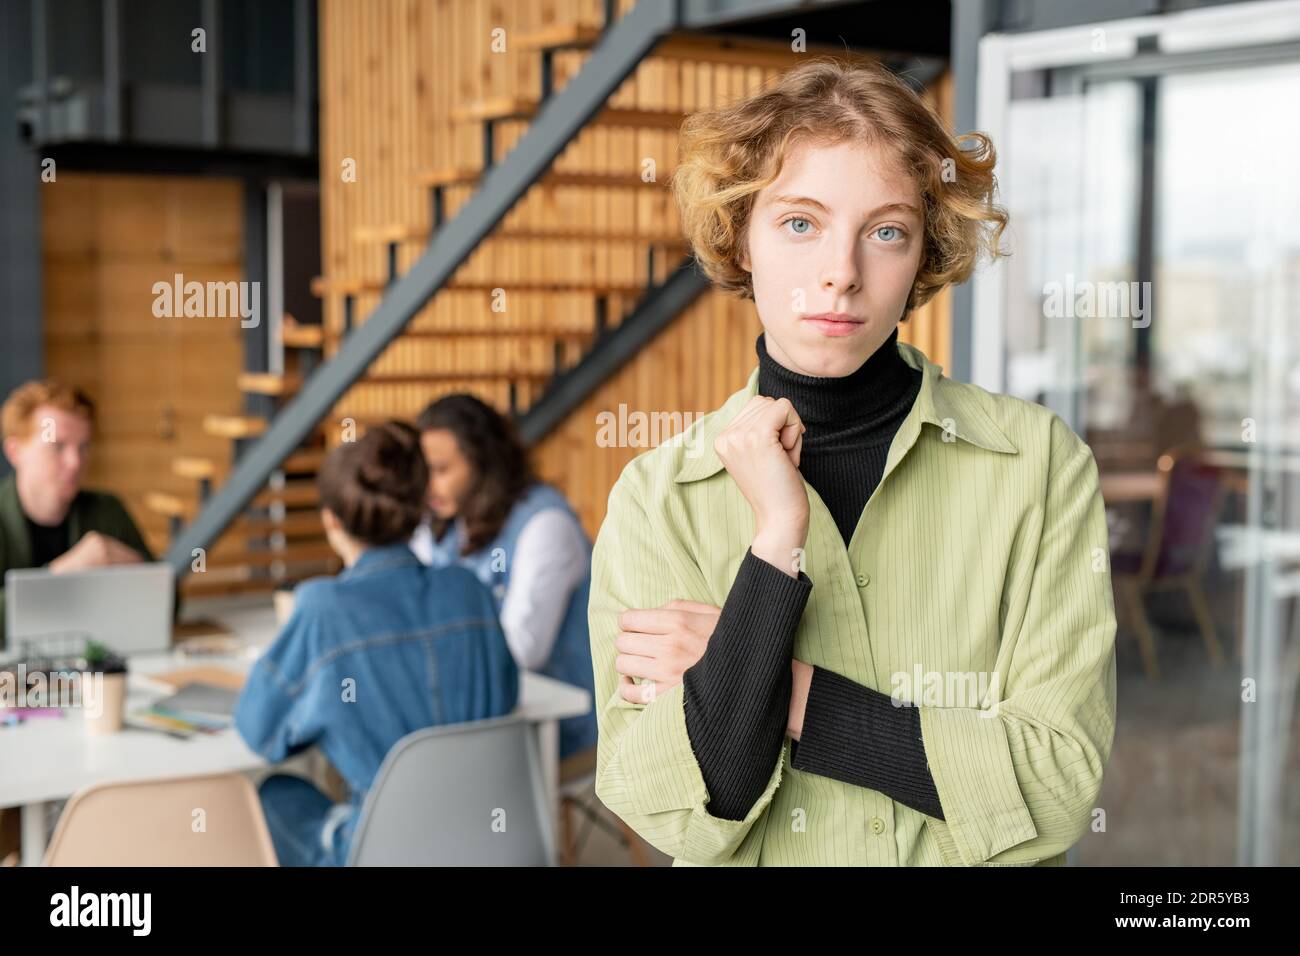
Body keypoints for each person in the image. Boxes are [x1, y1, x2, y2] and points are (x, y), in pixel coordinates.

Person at [589, 58, 1118, 866]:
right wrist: (777, 539)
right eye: (800, 223)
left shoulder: (1040, 467)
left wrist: (766, 673)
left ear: (922, 258)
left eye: (886, 231)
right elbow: (686, 814)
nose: (841, 272)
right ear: (741, 239)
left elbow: (1055, 788)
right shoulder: (656, 498)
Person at [234, 421, 519, 866]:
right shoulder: (469, 591)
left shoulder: (322, 607)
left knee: (273, 794)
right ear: (420, 508)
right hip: (487, 839)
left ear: (331, 519)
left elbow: (259, 730)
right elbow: (505, 699)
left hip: (382, 853)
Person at [410, 395, 597, 768]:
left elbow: (522, 650)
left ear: (484, 463)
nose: (428, 485)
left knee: (422, 756)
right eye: (423, 471)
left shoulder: (544, 525)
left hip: (560, 726)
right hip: (484, 715)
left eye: (442, 470)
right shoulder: (445, 521)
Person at [0, 380, 153, 651]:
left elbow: (168, 605)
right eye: (57, 446)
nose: (75, 462)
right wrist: (59, 575)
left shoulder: (108, 511)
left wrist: (140, 571)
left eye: (83, 447)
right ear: (15, 451)